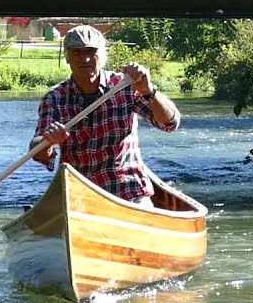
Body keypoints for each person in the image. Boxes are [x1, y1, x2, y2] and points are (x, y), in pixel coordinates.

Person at [30, 24, 180, 206]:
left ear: (102, 56)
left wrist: (149, 91)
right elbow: (38, 153)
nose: (85, 58)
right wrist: (49, 141)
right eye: (77, 52)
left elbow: (169, 124)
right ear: (67, 57)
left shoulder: (125, 86)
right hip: (78, 198)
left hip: (128, 192)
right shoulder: (54, 98)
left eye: (91, 51)